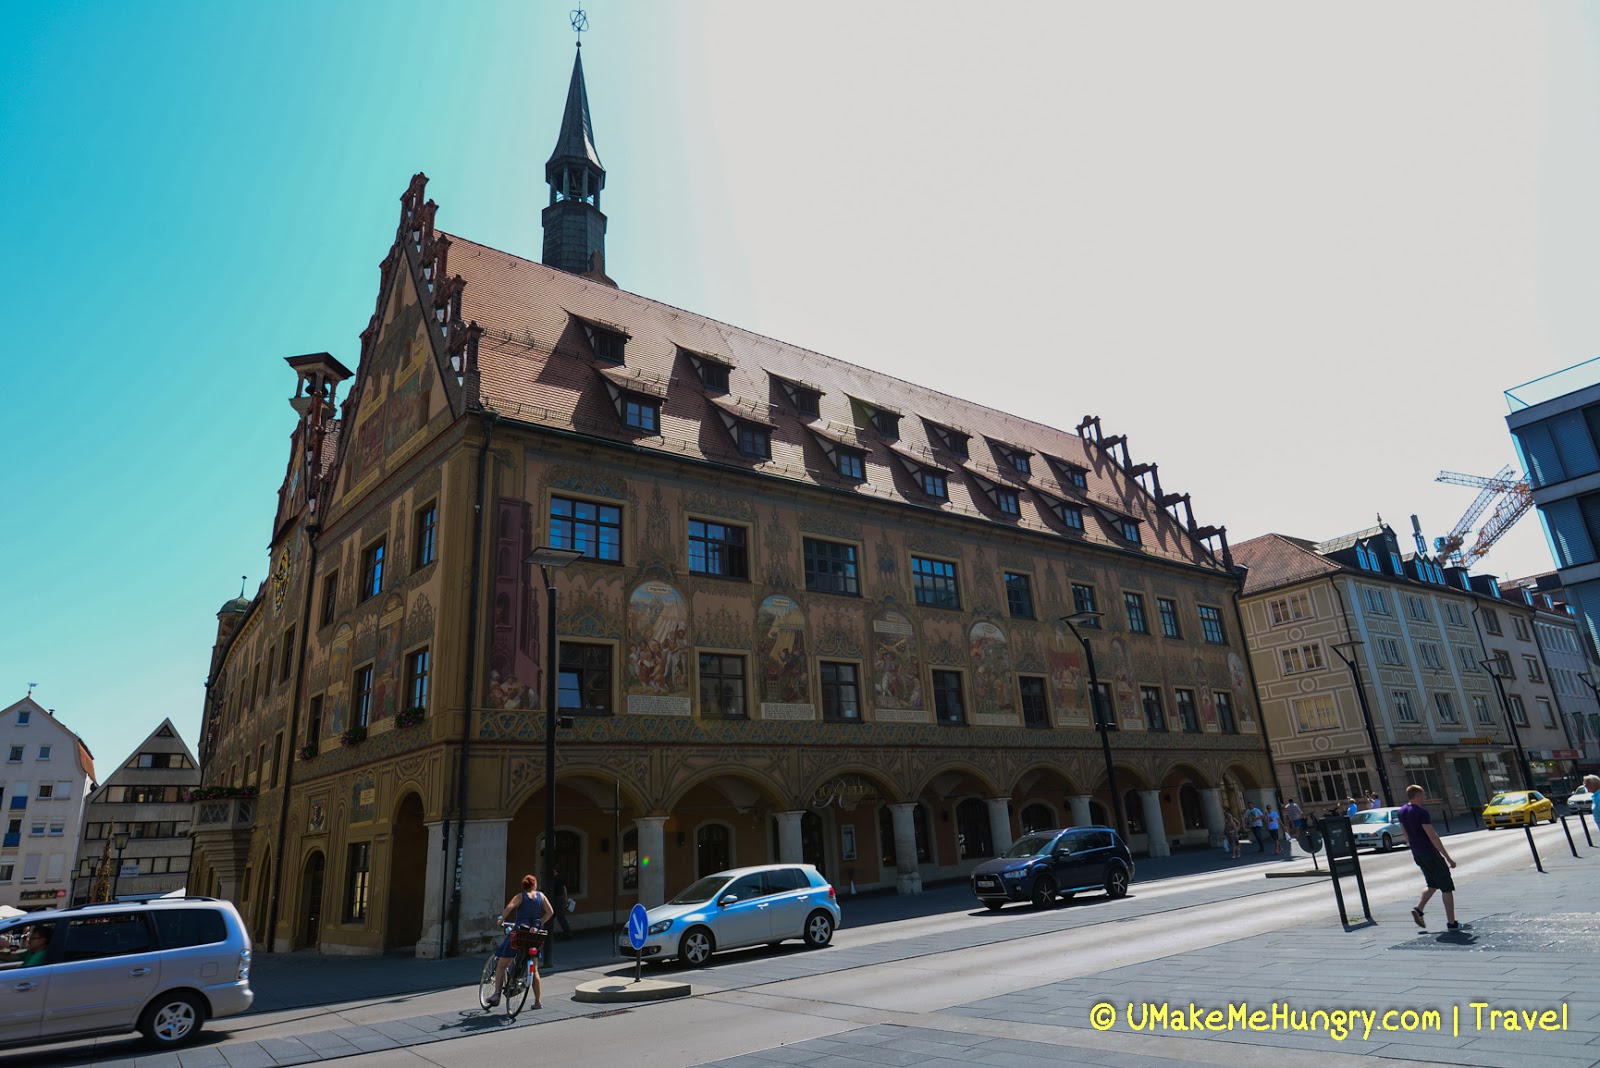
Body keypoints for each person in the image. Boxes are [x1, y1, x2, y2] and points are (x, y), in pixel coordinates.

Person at [1396, 784, 1462, 932]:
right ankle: (1452, 923)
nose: (1425, 797)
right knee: (1446, 887)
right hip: (1430, 853)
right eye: (1423, 795)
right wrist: (1448, 857)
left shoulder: (1402, 811)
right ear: (1417, 795)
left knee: (1432, 884)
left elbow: (1405, 832)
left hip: (1417, 853)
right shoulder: (1421, 813)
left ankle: (1419, 910)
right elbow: (1433, 836)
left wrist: (1413, 846)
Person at [488, 874, 553, 1009]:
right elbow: (550, 912)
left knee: (502, 964)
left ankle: (496, 993)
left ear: (524, 885)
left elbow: (509, 907)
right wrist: (540, 922)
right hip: (533, 936)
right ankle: (537, 1001)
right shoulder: (541, 896)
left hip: (519, 934)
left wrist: (500, 920)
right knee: (534, 970)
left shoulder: (520, 896)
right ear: (534, 884)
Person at [549, 866, 572, 938]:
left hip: (555, 898)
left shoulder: (555, 879)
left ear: (555, 870)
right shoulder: (561, 878)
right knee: (552, 915)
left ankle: (568, 932)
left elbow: (551, 889)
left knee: (559, 916)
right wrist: (565, 898)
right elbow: (564, 888)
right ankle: (547, 931)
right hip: (560, 898)